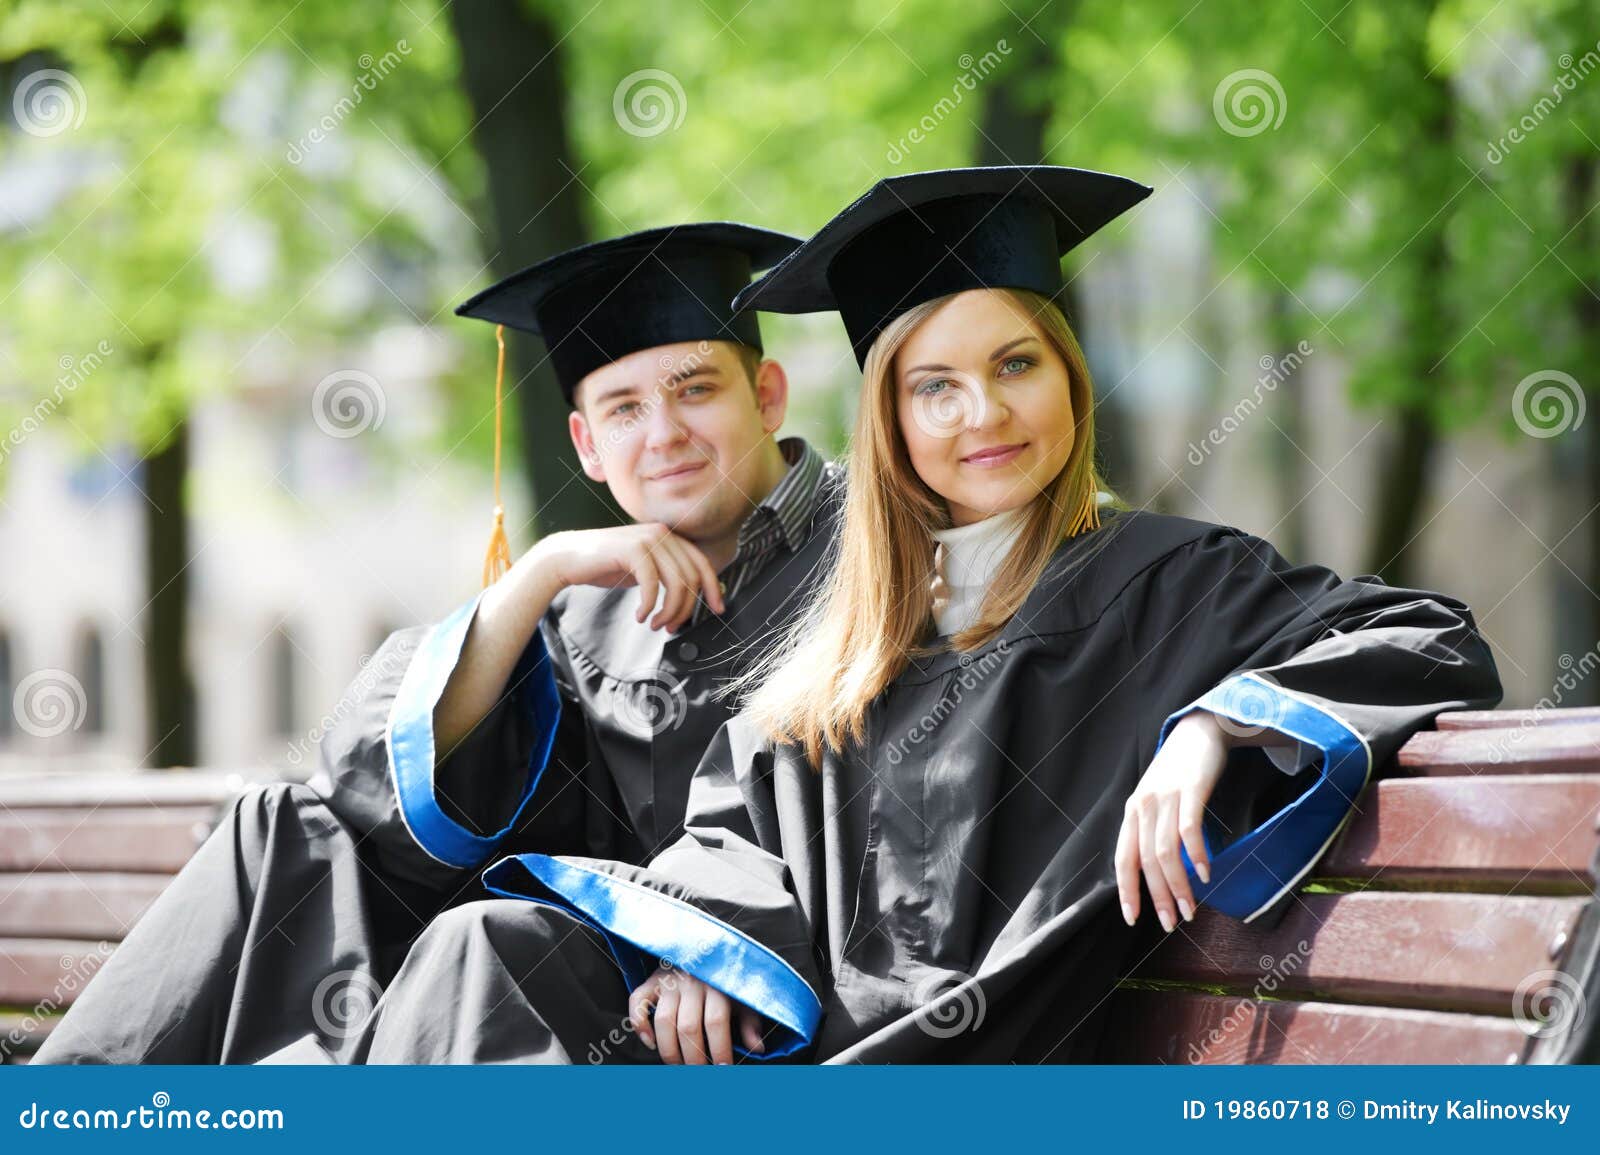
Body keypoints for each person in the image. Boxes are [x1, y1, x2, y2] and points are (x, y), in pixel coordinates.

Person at [339, 166, 1504, 1066]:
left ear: (1069, 379)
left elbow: (1426, 635)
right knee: (486, 960)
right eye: (932, 387)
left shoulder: (1164, 581)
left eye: (1016, 365)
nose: (981, 413)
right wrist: (704, 949)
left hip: (968, 1073)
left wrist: (1213, 726)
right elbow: (734, 822)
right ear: (887, 422)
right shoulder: (850, 636)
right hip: (798, 1062)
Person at [34, 222, 847, 1065]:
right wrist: (541, 573)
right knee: (276, 828)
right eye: (623, 409)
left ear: (768, 396)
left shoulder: (873, 560)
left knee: (482, 944)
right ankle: (64, 1109)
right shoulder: (585, 610)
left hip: (727, 1013)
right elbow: (379, 795)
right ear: (587, 447)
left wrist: (709, 944)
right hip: (557, 986)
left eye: (696, 389)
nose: (664, 431)